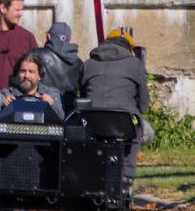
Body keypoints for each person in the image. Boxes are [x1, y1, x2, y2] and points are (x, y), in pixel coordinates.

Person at [0, 52, 63, 211]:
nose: (26, 75)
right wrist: (1, 105)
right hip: (11, 148)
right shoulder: (6, 92)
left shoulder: (51, 93)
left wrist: (51, 104)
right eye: (22, 71)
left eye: (31, 71)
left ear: (39, 75)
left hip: (40, 148)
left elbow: (62, 119)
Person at [81, 28, 150, 189]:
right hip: (123, 122)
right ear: (129, 48)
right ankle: (127, 176)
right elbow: (144, 101)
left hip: (93, 121)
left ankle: (92, 172)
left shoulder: (88, 64)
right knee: (137, 133)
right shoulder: (135, 64)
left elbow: (83, 95)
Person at [0, 0, 39, 91]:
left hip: (18, 99)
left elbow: (36, 72)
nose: (21, 14)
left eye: (21, 10)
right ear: (3, 8)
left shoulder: (27, 37)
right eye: (17, 10)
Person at [31, 21, 83, 96]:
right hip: (69, 106)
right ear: (68, 40)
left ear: (48, 36)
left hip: (43, 104)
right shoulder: (78, 62)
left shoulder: (35, 54)